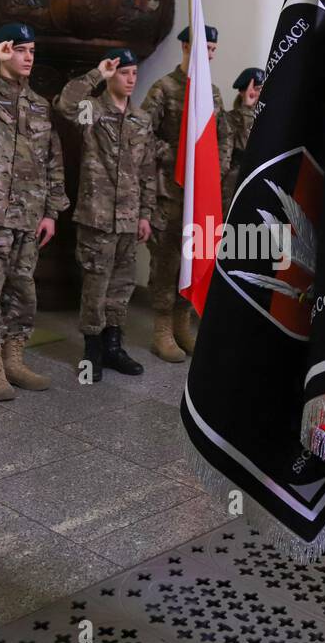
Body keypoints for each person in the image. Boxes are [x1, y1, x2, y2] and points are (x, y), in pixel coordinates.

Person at [0, 23, 68, 401]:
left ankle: (14, 356)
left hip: (30, 214)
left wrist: (52, 212)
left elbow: (52, 161)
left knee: (23, 290)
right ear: (4, 51)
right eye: (19, 50)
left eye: (31, 51)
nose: (27, 58)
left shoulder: (40, 104)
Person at [56, 49, 156, 382]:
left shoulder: (142, 120)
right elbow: (65, 104)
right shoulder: (93, 112)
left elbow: (147, 172)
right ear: (112, 74)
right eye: (123, 72)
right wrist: (96, 73)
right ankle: (92, 350)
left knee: (122, 286)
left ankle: (114, 346)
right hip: (96, 217)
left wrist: (145, 215)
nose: (130, 79)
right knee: (95, 286)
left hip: (129, 219)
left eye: (133, 74)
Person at [141, 25, 230, 363]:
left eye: (211, 49)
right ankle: (161, 330)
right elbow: (143, 133)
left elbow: (223, 139)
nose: (207, 54)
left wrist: (212, 171)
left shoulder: (213, 93)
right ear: (185, 48)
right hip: (170, 192)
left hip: (201, 193)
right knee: (167, 260)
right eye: (202, 47)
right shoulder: (164, 88)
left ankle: (182, 324)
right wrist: (176, 156)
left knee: (193, 260)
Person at [225, 67, 264, 212]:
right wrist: (247, 108)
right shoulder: (228, 118)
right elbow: (246, 144)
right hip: (233, 186)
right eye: (257, 89)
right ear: (243, 91)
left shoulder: (266, 119)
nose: (260, 94)